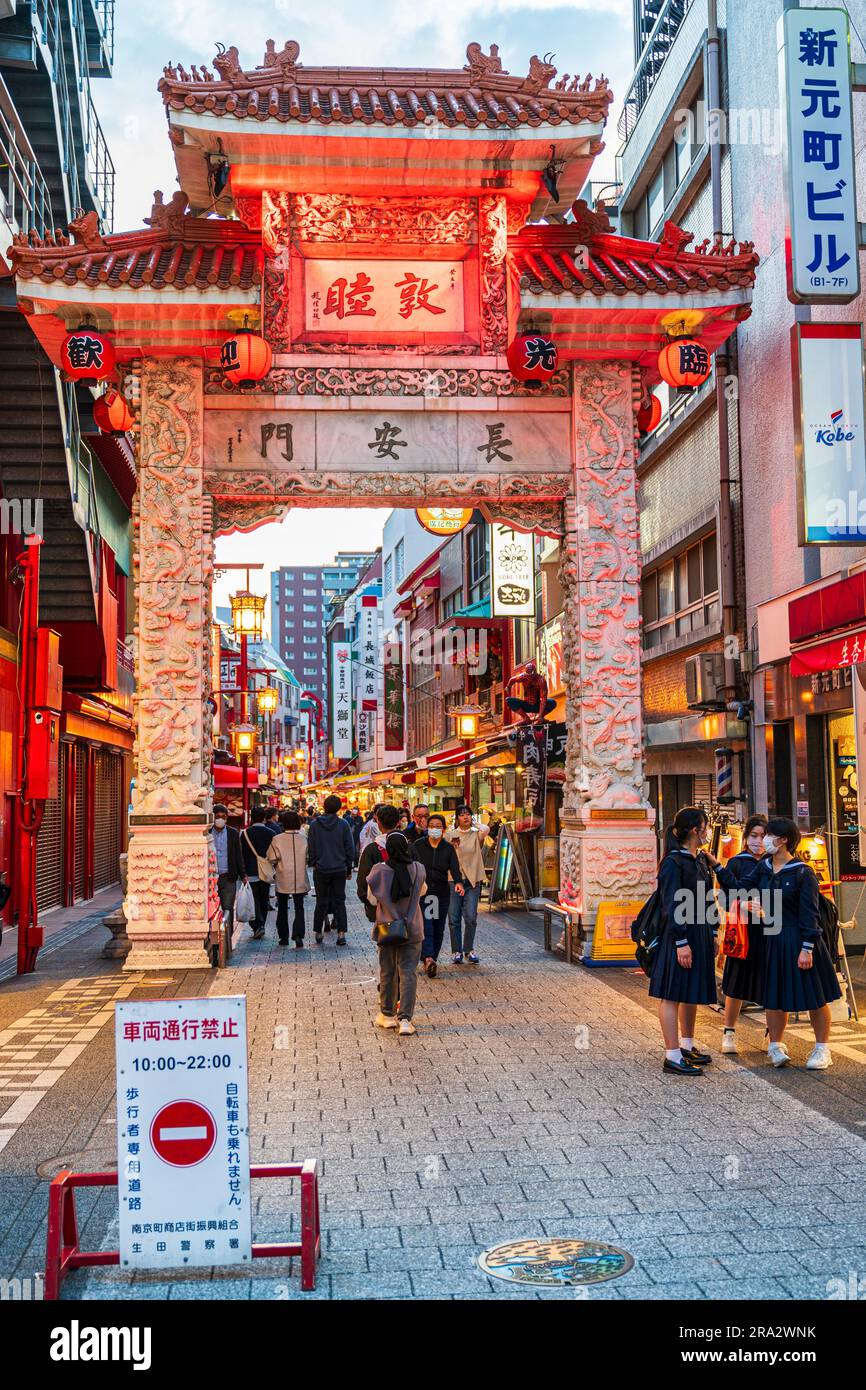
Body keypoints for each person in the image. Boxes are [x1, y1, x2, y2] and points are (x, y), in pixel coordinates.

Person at [649, 806, 739, 1076]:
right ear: (694, 831)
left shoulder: (699, 859)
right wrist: (681, 942)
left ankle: (686, 1045)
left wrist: (713, 931)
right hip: (679, 935)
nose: (708, 831)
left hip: (699, 932)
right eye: (705, 827)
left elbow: (708, 897)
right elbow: (671, 904)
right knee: (671, 992)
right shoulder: (673, 862)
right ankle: (672, 1055)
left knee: (688, 990)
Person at [757, 817, 841, 1070]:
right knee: (774, 996)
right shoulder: (764, 867)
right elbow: (740, 886)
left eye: (769, 835)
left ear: (784, 840)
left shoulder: (803, 872)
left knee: (814, 995)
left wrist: (807, 948)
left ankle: (822, 1050)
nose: (764, 839)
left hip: (801, 939)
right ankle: (775, 1046)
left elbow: (810, 913)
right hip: (773, 937)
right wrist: (716, 867)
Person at [367, 831, 427, 1036]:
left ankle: (387, 1015)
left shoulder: (378, 871)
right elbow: (423, 891)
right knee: (408, 973)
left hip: (386, 928)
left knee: (388, 971)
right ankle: (405, 1020)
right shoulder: (418, 869)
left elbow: (372, 899)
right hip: (412, 927)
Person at [720, 814, 768, 1054]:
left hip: (770, 930)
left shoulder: (774, 862)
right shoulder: (737, 862)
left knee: (771, 981)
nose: (758, 841)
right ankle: (728, 1032)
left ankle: (773, 1036)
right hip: (743, 931)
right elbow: (724, 897)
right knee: (735, 982)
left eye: (762, 836)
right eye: (754, 835)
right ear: (746, 837)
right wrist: (742, 905)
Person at [412, 813, 464, 976]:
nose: (435, 829)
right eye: (432, 825)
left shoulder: (447, 847)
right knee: (427, 925)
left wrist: (458, 882)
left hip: (441, 892)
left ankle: (431, 957)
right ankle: (428, 958)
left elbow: (454, 867)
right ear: (427, 827)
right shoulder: (418, 845)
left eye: (438, 826)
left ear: (443, 829)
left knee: (438, 926)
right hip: (425, 892)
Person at [307, 793, 355, 945]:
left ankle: (318, 932)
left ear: (324, 807)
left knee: (321, 900)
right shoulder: (343, 824)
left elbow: (311, 846)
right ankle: (341, 934)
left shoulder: (314, 825)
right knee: (339, 900)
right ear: (338, 808)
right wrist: (348, 867)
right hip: (339, 868)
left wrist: (313, 862)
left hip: (321, 868)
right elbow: (350, 848)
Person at [445, 805, 489, 964]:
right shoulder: (449, 835)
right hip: (454, 881)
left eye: (468, 815)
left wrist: (475, 823)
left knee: (470, 917)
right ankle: (456, 951)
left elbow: (487, 828)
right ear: (457, 818)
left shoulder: (476, 834)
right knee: (454, 917)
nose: (465, 817)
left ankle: (468, 949)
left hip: (472, 881)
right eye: (462, 815)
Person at [267, 810, 309, 947]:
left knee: (283, 908)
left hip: (282, 876)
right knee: (299, 907)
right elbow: (308, 858)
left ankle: (283, 937)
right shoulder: (303, 839)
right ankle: (298, 935)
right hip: (300, 877)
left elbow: (271, 858)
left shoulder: (277, 839)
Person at [357, 805, 402, 919]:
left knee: (384, 936)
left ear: (378, 823)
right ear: (398, 822)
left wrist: (370, 904)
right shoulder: (409, 846)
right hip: (406, 908)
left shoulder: (371, 849)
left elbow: (363, 881)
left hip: (380, 908)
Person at [240, 807, 275, 940]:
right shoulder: (271, 833)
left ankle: (256, 925)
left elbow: (241, 854)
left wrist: (242, 873)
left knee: (253, 899)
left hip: (250, 871)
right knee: (264, 898)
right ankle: (262, 924)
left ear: (252, 818)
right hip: (265, 872)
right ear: (264, 817)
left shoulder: (245, 834)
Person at [212, 803, 246, 925]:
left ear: (227, 818)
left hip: (228, 877)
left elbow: (238, 855)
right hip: (211, 878)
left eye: (223, 816)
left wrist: (243, 875)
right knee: (211, 910)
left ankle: (227, 940)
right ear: (213, 817)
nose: (220, 819)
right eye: (218, 816)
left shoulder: (233, 833)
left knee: (228, 908)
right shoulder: (207, 833)